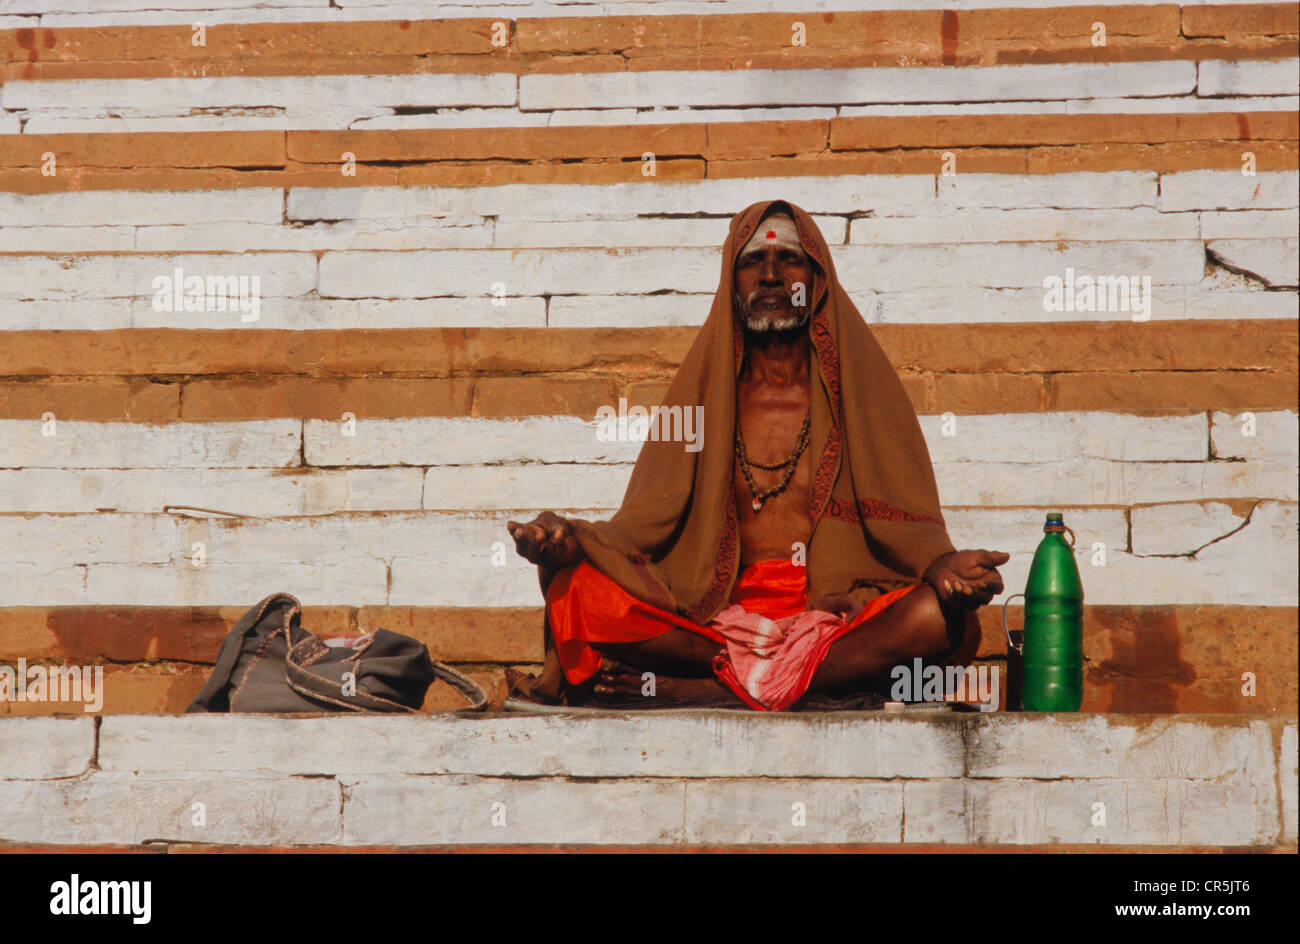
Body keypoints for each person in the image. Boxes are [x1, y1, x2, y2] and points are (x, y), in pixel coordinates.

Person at [507, 199, 1009, 710]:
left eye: (789, 260)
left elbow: (908, 525)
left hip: (833, 622)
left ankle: (710, 690)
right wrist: (571, 541)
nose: (770, 276)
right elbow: (641, 527)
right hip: (713, 625)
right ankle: (770, 681)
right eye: (752, 262)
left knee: (943, 620)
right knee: (577, 589)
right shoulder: (701, 399)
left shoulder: (865, 394)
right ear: (733, 281)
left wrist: (942, 564)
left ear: (816, 279)